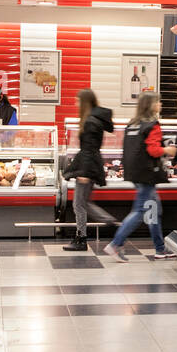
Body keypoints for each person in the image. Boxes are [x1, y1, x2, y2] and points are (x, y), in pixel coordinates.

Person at [103, 91, 175, 261]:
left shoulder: (132, 124)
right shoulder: (153, 125)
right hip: (148, 174)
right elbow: (153, 150)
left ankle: (160, 249)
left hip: (134, 173)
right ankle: (116, 243)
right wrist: (167, 150)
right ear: (150, 105)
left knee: (154, 210)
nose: (160, 105)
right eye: (158, 102)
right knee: (140, 210)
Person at [62, 89, 116, 251]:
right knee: (83, 203)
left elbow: (89, 149)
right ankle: (106, 223)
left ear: (84, 102)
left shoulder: (90, 122)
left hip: (87, 166)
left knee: (79, 204)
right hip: (90, 164)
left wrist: (84, 172)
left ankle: (83, 238)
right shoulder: (94, 119)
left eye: (78, 101)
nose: (76, 103)